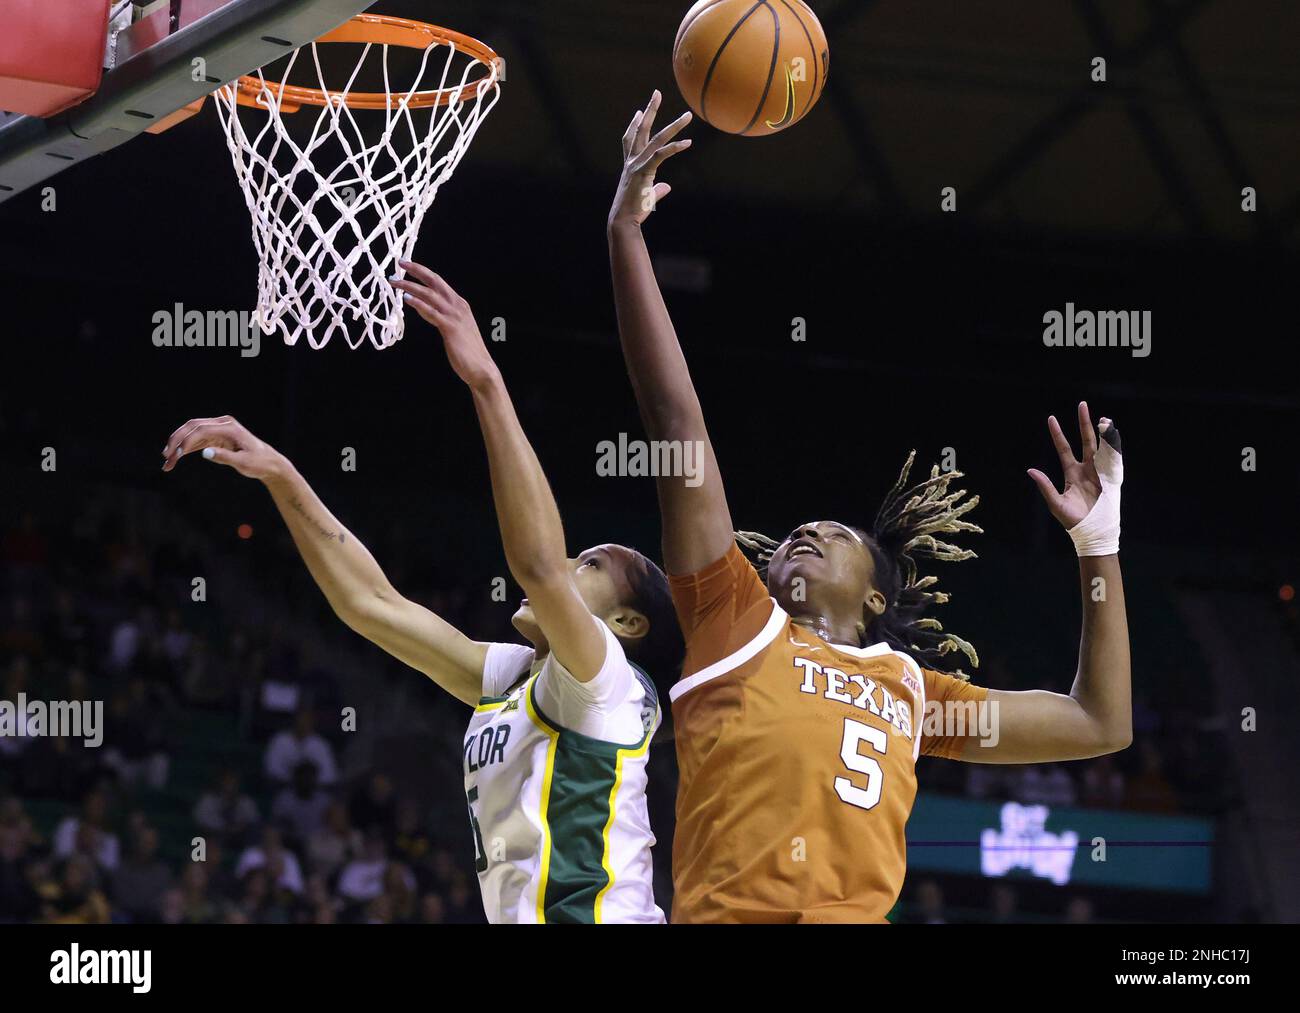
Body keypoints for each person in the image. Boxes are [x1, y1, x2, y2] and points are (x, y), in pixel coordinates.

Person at [606, 90, 1133, 923]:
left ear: (878, 597)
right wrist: (625, 234)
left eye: (834, 532)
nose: (805, 531)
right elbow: (677, 422)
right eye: (790, 537)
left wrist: (1097, 544)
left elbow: (1100, 721)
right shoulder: (732, 620)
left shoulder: (913, 691)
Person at [161, 263, 682, 923]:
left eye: (593, 563)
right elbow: (370, 605)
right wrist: (281, 474)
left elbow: (540, 567)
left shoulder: (609, 681)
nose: (571, 560)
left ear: (626, 621)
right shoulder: (518, 677)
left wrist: (487, 382)